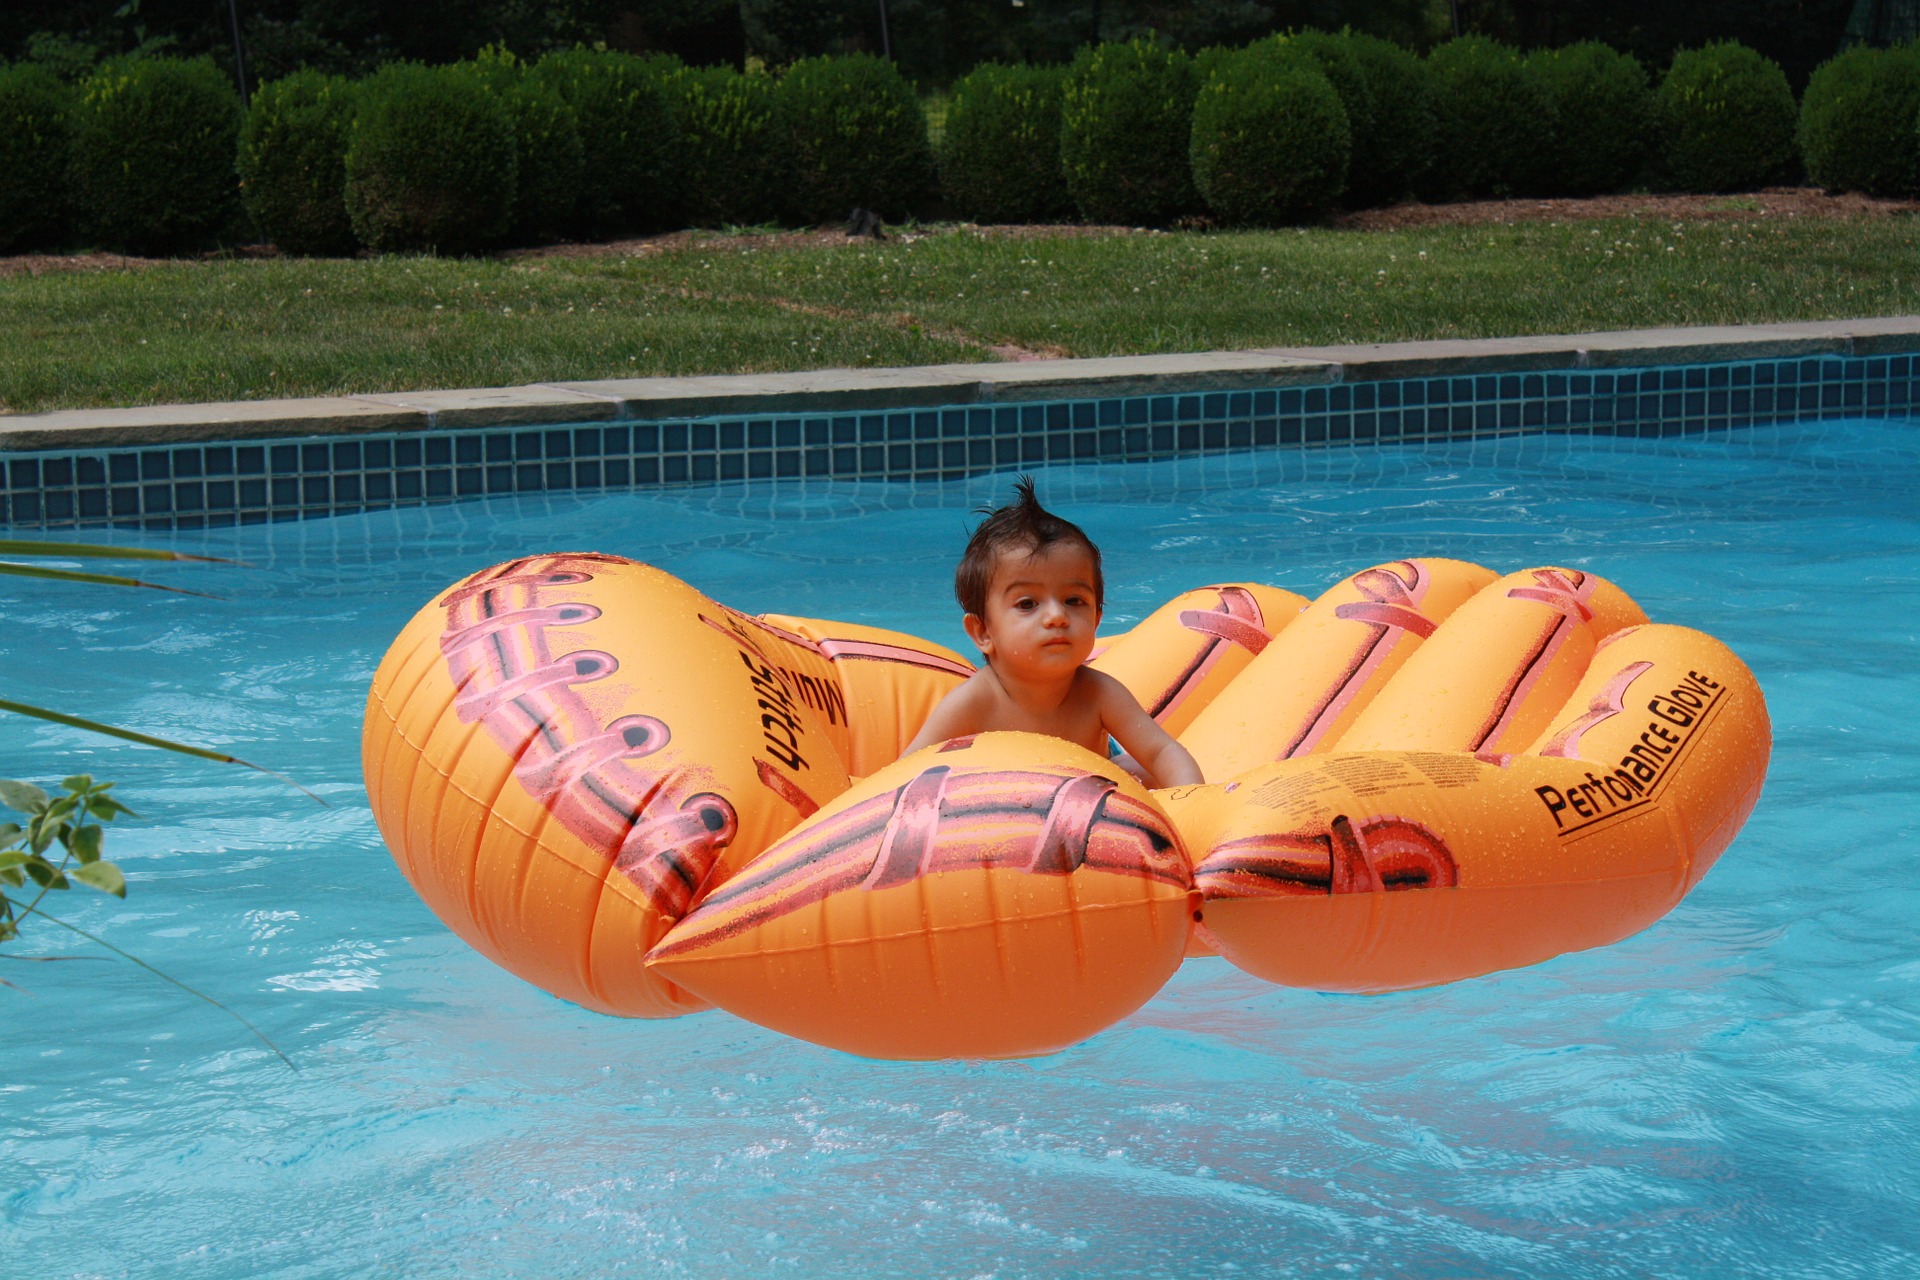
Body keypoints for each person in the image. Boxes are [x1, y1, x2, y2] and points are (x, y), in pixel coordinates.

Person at [900, 478, 1205, 789]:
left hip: (1090, 785)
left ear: (1097, 620)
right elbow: (902, 775)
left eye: (1074, 601)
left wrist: (1191, 801)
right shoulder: (973, 703)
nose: (1057, 616)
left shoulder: (1099, 694)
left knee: (1142, 771)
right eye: (1027, 604)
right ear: (982, 632)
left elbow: (1161, 750)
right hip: (1005, 801)